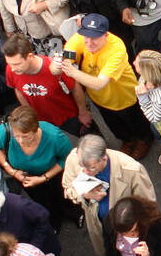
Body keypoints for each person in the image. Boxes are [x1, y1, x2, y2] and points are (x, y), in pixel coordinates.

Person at [61, 15, 153, 157]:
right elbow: (66, 58)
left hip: (124, 96)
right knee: (116, 126)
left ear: (105, 35)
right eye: (86, 37)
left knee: (136, 122)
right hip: (100, 99)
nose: (89, 42)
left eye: (94, 38)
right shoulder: (80, 38)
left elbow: (99, 83)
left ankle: (144, 140)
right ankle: (127, 140)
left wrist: (72, 71)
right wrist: (59, 65)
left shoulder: (116, 48)